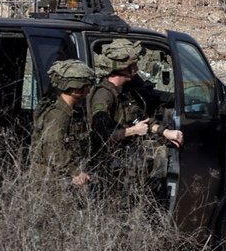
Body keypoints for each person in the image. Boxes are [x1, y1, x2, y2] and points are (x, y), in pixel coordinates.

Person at [88, 37, 183, 196]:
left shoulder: (124, 91)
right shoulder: (103, 96)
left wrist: (166, 132)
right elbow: (101, 136)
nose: (136, 69)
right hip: (109, 169)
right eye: (132, 66)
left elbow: (140, 118)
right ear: (121, 67)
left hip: (126, 163)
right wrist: (132, 131)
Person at [31, 59, 95, 190]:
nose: (88, 91)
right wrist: (75, 172)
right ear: (75, 89)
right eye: (86, 86)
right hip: (51, 181)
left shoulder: (66, 110)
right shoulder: (58, 115)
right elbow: (53, 151)